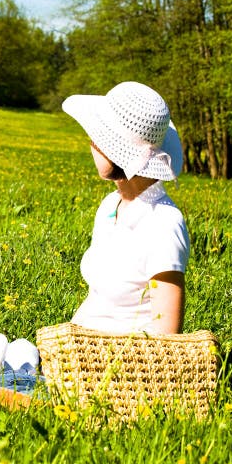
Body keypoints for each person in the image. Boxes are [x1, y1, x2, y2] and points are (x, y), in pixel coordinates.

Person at [62, 81, 189, 334]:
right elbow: (98, 304)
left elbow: (167, 337)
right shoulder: (111, 205)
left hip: (121, 366)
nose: (90, 142)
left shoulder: (163, 224)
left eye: (96, 137)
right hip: (78, 353)